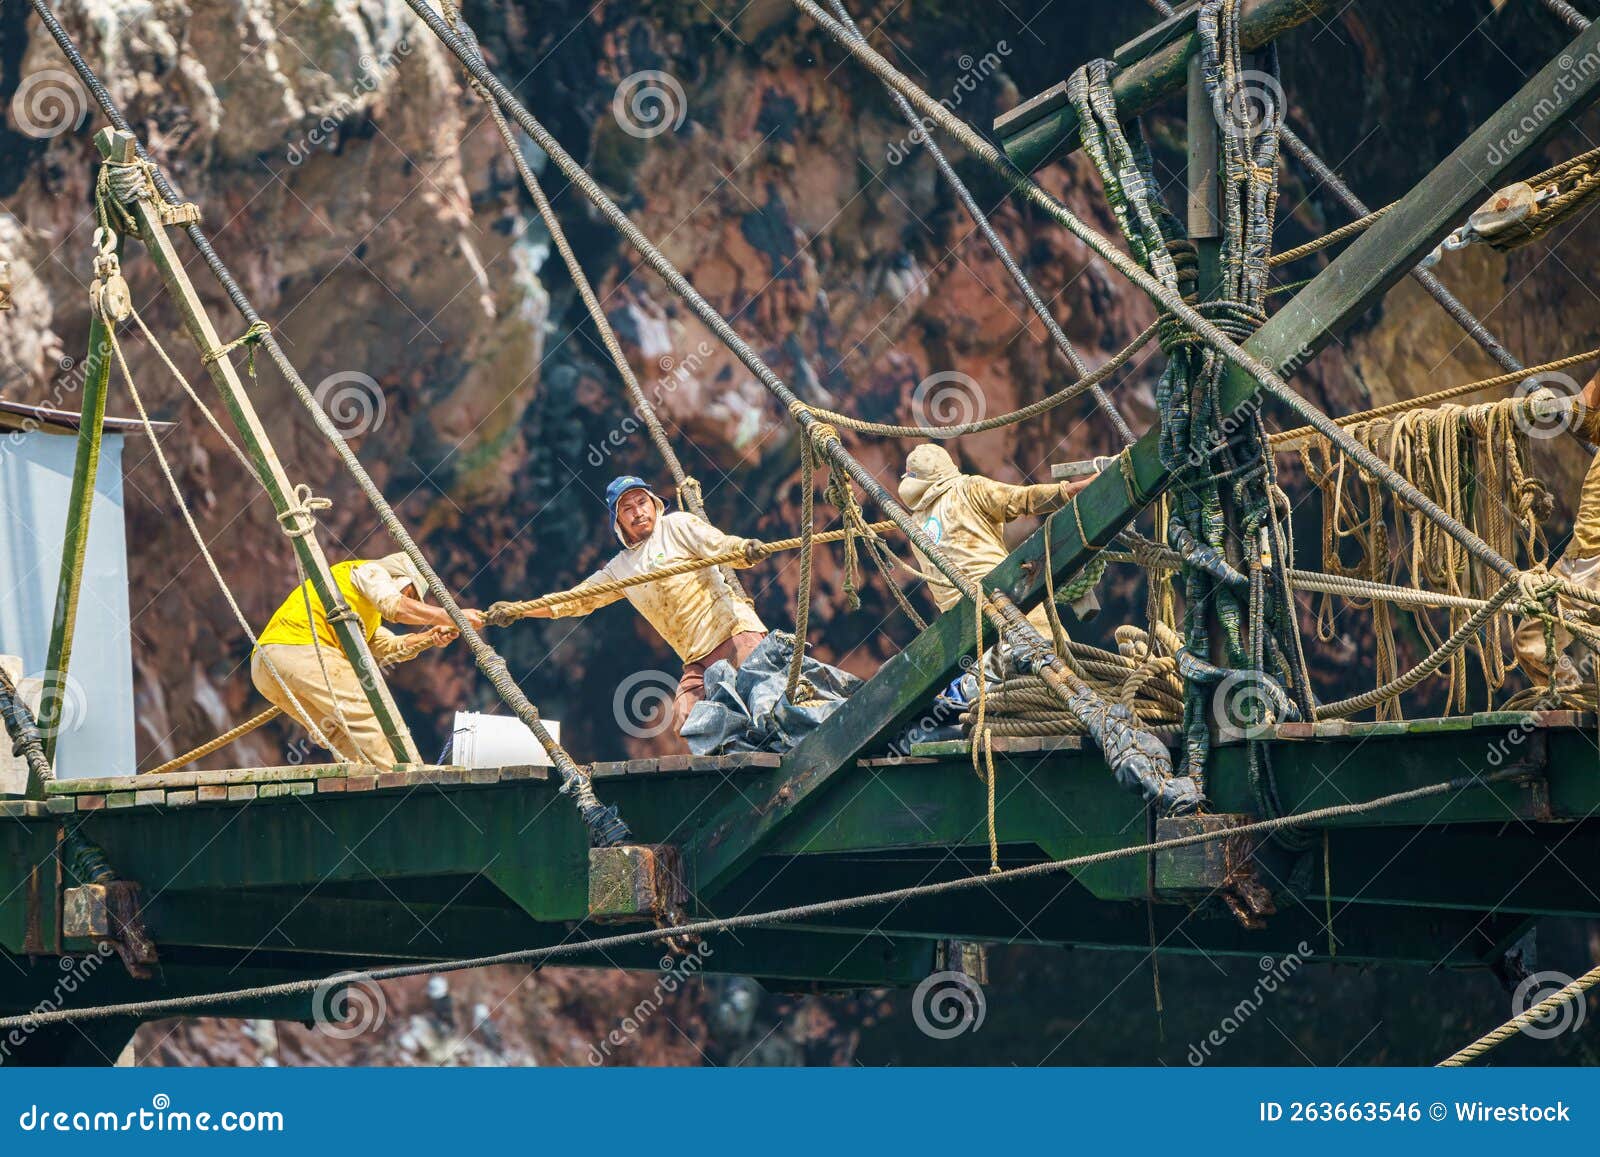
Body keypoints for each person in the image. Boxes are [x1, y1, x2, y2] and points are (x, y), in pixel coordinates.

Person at [525, 476, 767, 733]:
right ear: (617, 522)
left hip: (733, 631)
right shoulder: (621, 568)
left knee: (765, 698)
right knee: (690, 722)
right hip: (696, 658)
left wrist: (744, 549)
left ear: (654, 504)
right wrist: (518, 611)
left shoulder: (676, 525)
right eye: (627, 509)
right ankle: (746, 764)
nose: (638, 512)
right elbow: (575, 600)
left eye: (642, 502)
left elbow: (721, 546)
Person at [252, 553, 486, 766]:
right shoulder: (369, 571)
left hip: (265, 666)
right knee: (367, 708)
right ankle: (403, 781)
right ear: (398, 578)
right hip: (298, 648)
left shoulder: (359, 613)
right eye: (412, 594)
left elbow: (390, 646)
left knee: (335, 731)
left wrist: (428, 637)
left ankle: (365, 783)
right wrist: (451, 616)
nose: (412, 599)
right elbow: (396, 606)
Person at [897, 443, 1095, 640]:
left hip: (961, 628)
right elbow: (1023, 499)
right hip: (1002, 592)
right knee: (1052, 651)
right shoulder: (966, 488)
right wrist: (1071, 490)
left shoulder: (914, 527)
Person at [1514, 371, 1600, 694]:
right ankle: (1574, 697)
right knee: (1532, 641)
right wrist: (1545, 405)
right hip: (1582, 551)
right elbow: (1583, 420)